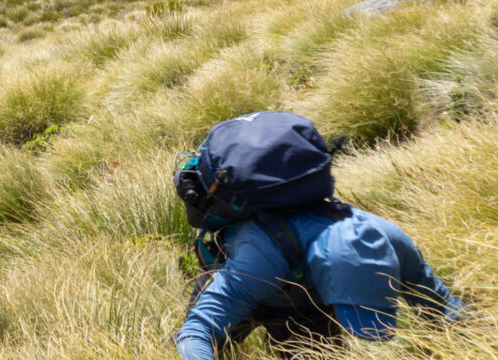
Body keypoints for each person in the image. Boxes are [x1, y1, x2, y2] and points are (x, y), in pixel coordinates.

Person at [174, 111, 464, 359]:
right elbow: (197, 332)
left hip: (306, 306)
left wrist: (477, 339)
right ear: (326, 272)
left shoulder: (391, 238)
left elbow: (443, 306)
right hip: (245, 281)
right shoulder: (259, 259)